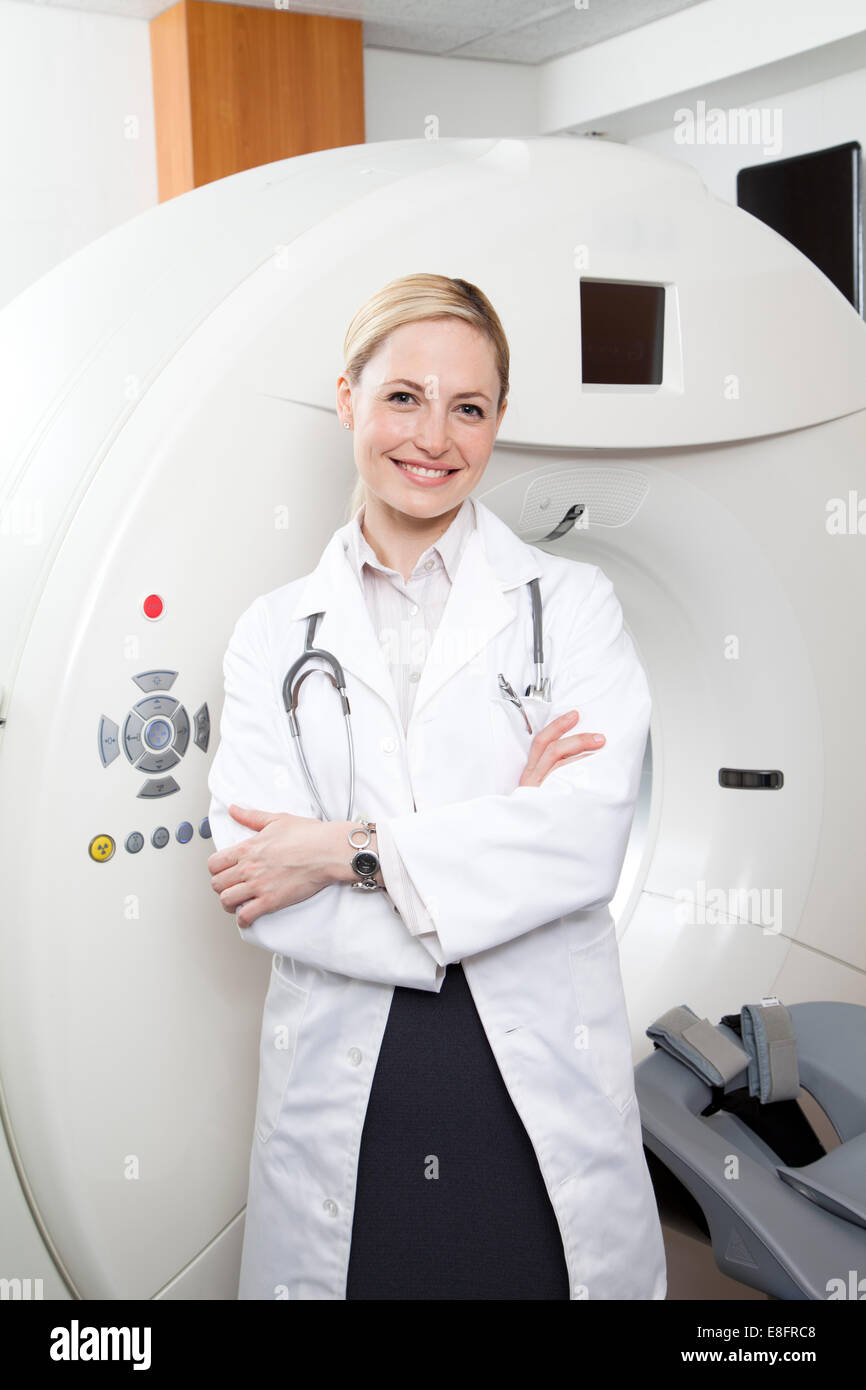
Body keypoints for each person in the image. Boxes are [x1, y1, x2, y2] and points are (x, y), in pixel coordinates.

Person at [206, 272, 667, 1301]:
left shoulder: (572, 604)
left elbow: (584, 840)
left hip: (529, 1064)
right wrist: (501, 836)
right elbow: (250, 881)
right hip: (353, 1079)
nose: (433, 436)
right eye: (402, 396)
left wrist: (339, 849)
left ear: (498, 420)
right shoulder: (274, 632)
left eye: (468, 407)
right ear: (347, 400)